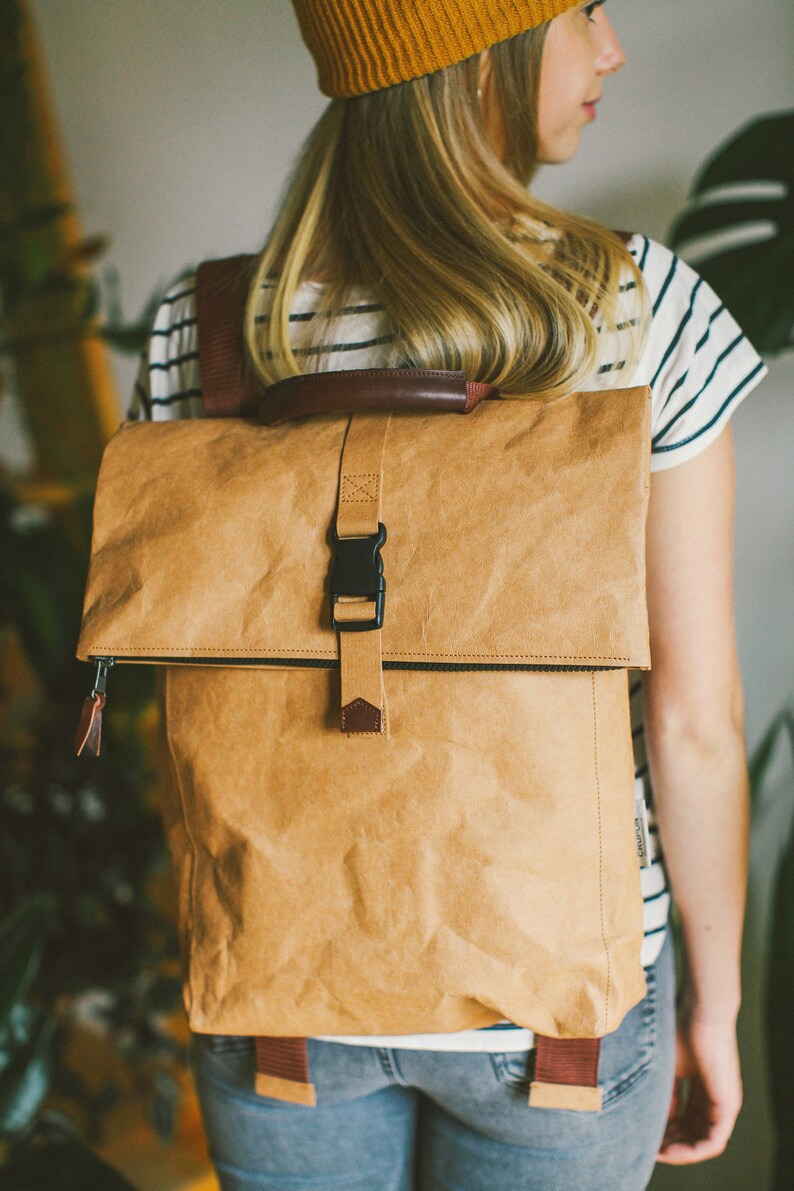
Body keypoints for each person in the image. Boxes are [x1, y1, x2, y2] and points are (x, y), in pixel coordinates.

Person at [129, 2, 767, 1187]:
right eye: (579, 11)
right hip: (557, 1011)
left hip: (283, 995)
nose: (609, 47)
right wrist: (717, 1008)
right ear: (478, 50)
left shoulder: (204, 329)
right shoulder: (638, 307)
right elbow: (690, 720)